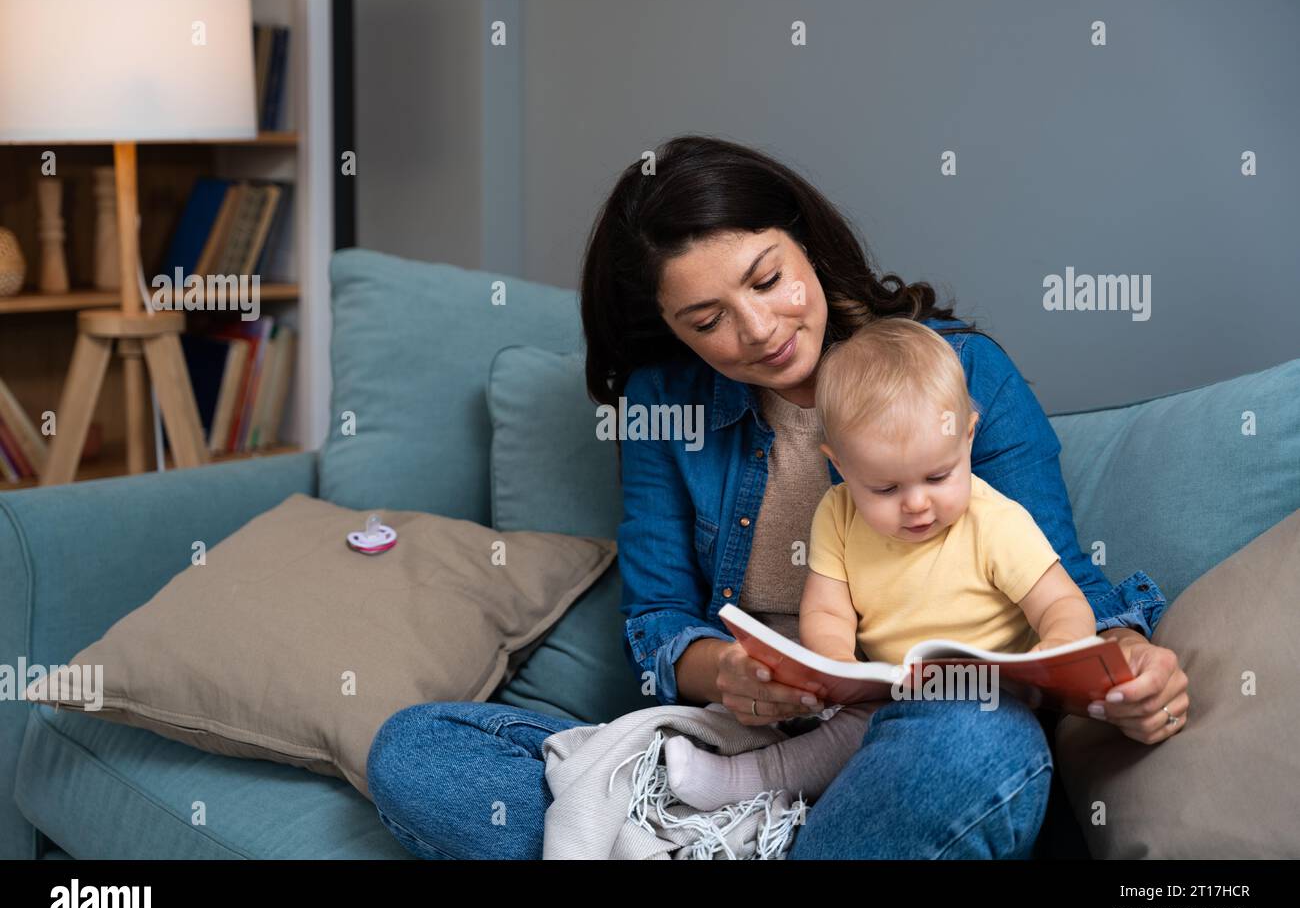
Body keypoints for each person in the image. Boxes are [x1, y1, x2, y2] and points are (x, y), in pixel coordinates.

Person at [366, 135, 1189, 860]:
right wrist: (724, 672)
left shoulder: (960, 373)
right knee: (417, 750)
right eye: (708, 318)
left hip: (906, 745)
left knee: (979, 741)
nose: (759, 329)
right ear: (669, 326)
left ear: (805, 242)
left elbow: (1058, 574)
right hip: (739, 754)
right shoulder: (667, 403)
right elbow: (656, 617)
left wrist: (1125, 667)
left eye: (768, 280)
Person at [662, 317, 1101, 811]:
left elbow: (1063, 600)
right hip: (889, 695)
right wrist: (837, 667)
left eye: (938, 476)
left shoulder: (993, 520)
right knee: (848, 733)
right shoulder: (838, 513)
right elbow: (828, 610)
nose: (916, 504)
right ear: (842, 466)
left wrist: (1058, 647)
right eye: (886, 488)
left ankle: (767, 783)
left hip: (992, 705)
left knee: (908, 736)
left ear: (968, 439)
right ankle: (747, 781)